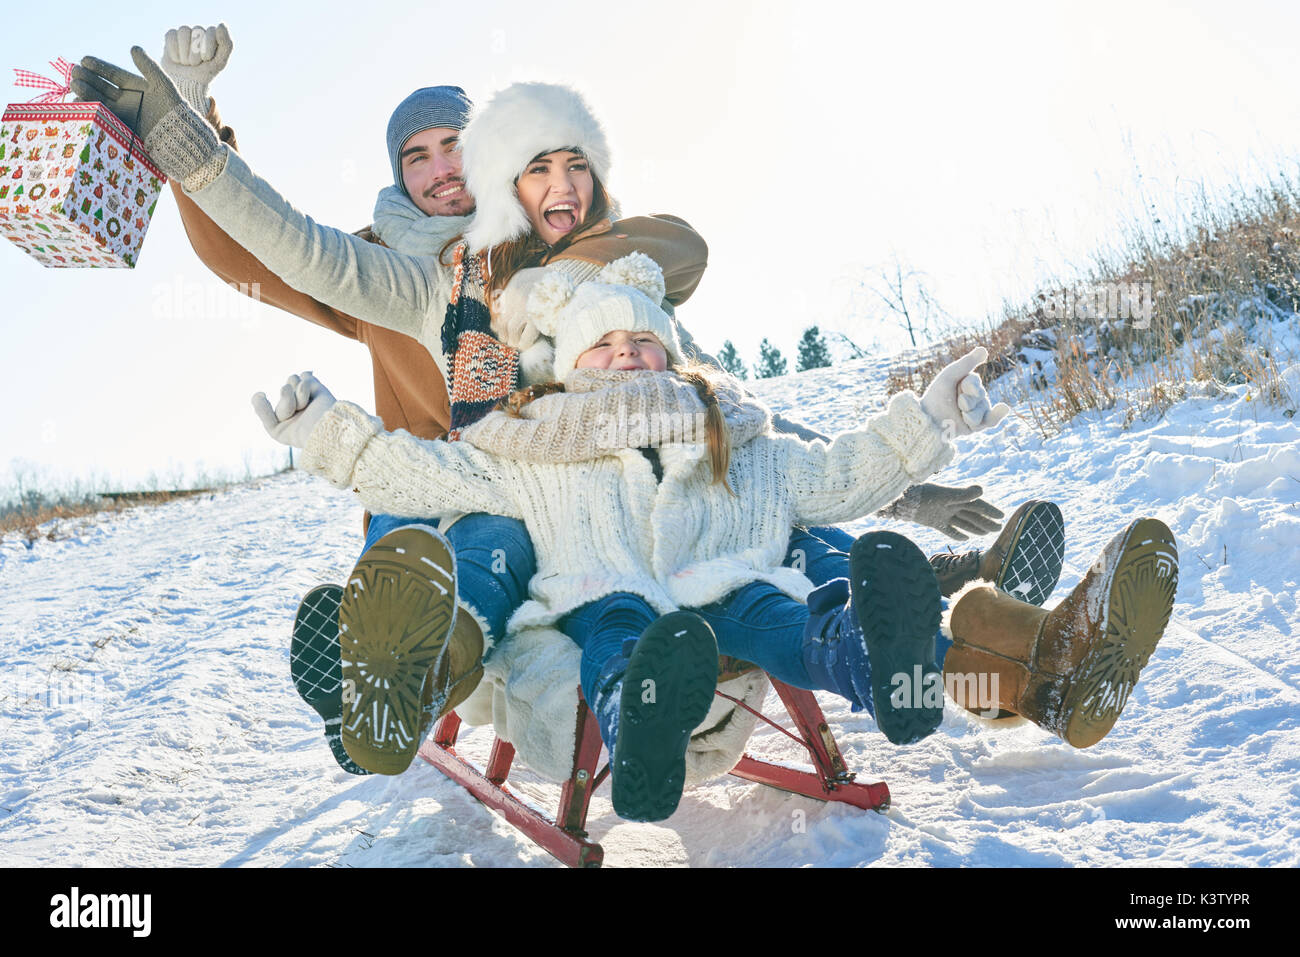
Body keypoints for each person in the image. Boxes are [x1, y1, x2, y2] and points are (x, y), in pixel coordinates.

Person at [73, 39, 1062, 771]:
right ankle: (410, 668)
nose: (439, 167)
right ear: (397, 177)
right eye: (415, 155)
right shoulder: (388, 273)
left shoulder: (573, 270)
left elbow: (713, 407)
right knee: (493, 542)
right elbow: (264, 251)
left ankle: (967, 622)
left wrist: (908, 480)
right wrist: (192, 127)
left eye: (457, 144)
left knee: (767, 516)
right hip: (445, 492)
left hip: (585, 490)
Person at [252, 273, 1179, 821]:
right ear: (572, 365)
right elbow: (429, 477)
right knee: (619, 642)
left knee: (798, 618)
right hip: (608, 589)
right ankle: (643, 734)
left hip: (734, 580)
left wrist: (923, 424)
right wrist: (328, 432)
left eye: (644, 343)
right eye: (604, 344)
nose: (628, 355)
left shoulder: (730, 429)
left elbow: (832, 477)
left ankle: (883, 663)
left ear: (673, 354)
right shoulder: (531, 445)